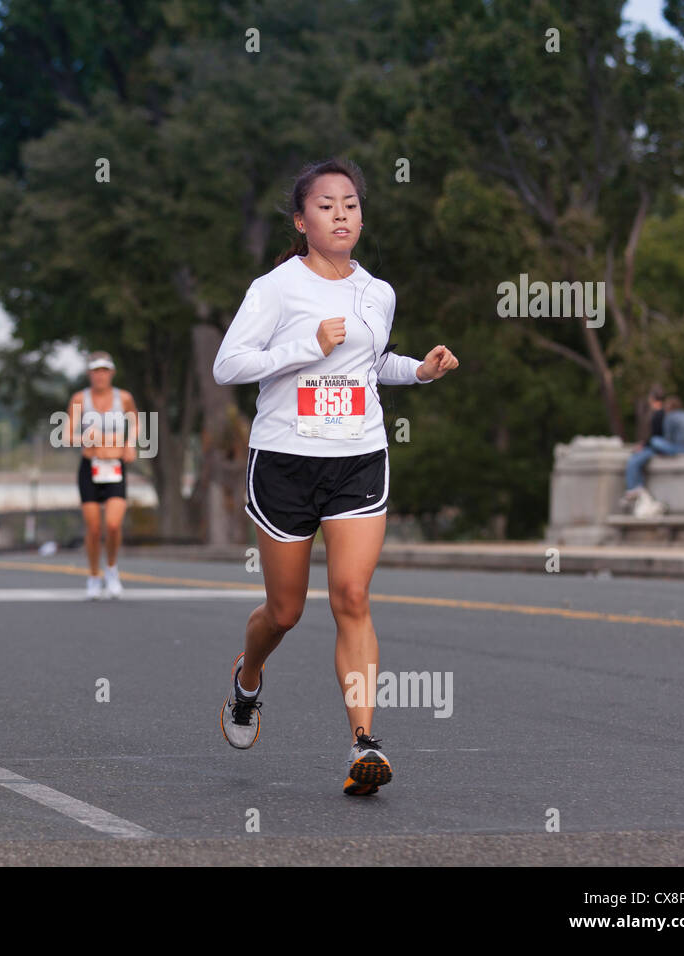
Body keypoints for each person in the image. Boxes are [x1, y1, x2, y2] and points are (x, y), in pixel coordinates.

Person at [211, 158, 458, 796]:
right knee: (285, 612)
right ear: (302, 220)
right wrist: (305, 348)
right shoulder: (275, 289)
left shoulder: (378, 291)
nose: (341, 213)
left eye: (350, 203)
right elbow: (228, 365)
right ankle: (248, 680)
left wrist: (419, 372)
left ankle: (364, 744)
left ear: (362, 217)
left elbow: (374, 367)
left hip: (357, 455)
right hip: (286, 459)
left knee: (351, 597)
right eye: (326, 205)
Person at [67, 351, 138, 599]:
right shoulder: (80, 399)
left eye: (104, 370)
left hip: (115, 467)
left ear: (112, 373)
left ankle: (111, 568)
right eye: (95, 371)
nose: (100, 375)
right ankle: (94, 575)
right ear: (89, 374)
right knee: (94, 528)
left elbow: (136, 423)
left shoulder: (124, 398)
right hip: (90, 466)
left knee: (113, 524)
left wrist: (130, 444)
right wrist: (84, 437)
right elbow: (66, 435)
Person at [622, 392, 684, 509]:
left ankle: (634, 488)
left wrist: (651, 445)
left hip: (681, 449)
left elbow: (668, 440)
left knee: (655, 441)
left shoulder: (670, 417)